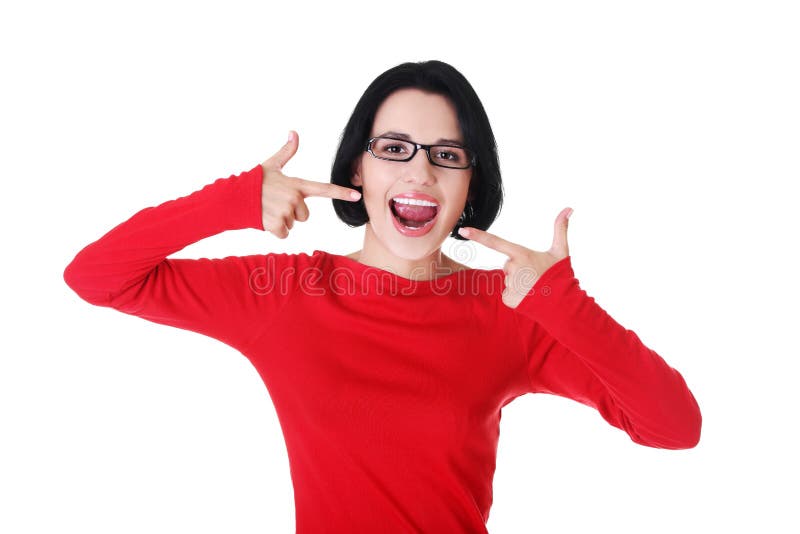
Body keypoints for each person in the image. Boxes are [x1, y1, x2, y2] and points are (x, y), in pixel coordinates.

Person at [63, 60, 702, 533]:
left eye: (446, 155)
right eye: (394, 149)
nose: (419, 172)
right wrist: (232, 200)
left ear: (470, 183)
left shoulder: (509, 309)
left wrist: (566, 303)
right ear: (357, 169)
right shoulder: (283, 294)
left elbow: (674, 427)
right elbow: (96, 276)